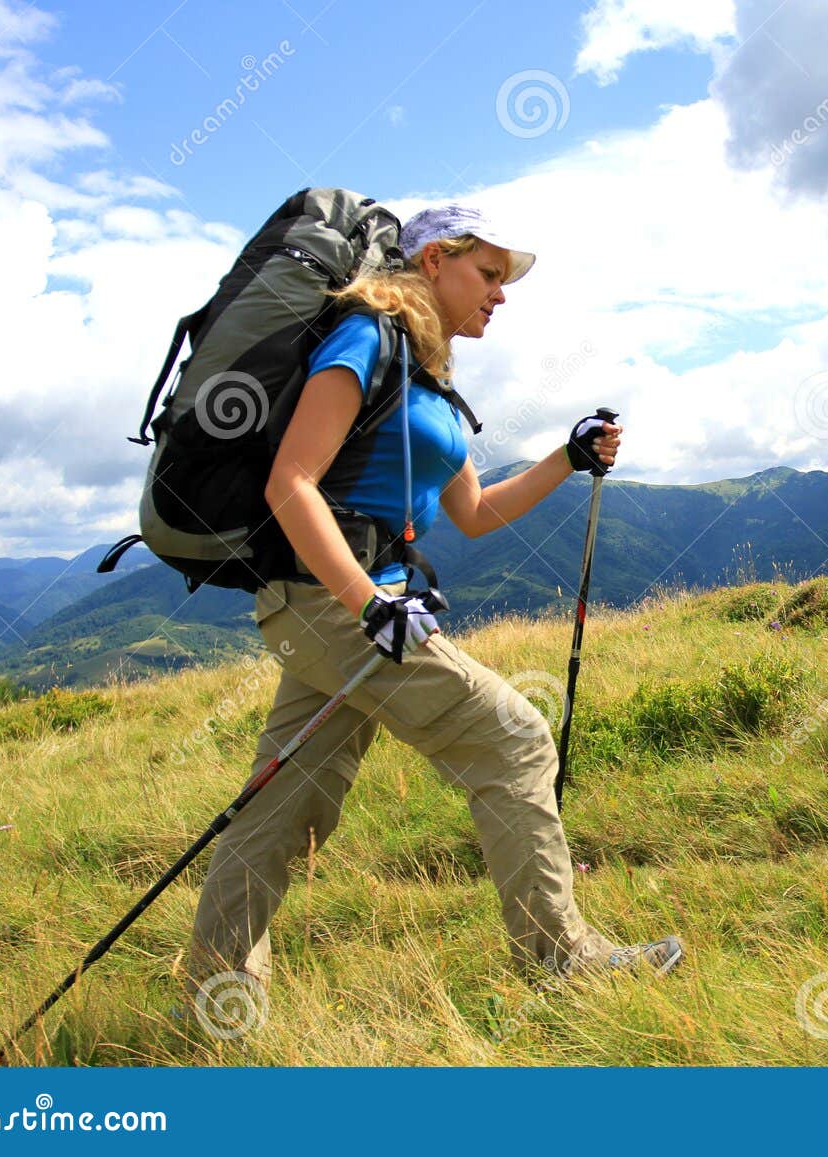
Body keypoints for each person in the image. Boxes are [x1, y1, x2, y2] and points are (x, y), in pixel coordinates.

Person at [184, 205, 683, 1011]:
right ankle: (563, 959)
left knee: (286, 808)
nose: (501, 294)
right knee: (517, 736)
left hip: (336, 607)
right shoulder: (367, 338)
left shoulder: (426, 372)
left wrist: (567, 454)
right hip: (333, 602)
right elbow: (292, 483)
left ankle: (214, 1000)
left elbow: (475, 511)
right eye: (488, 273)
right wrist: (367, 604)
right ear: (434, 261)